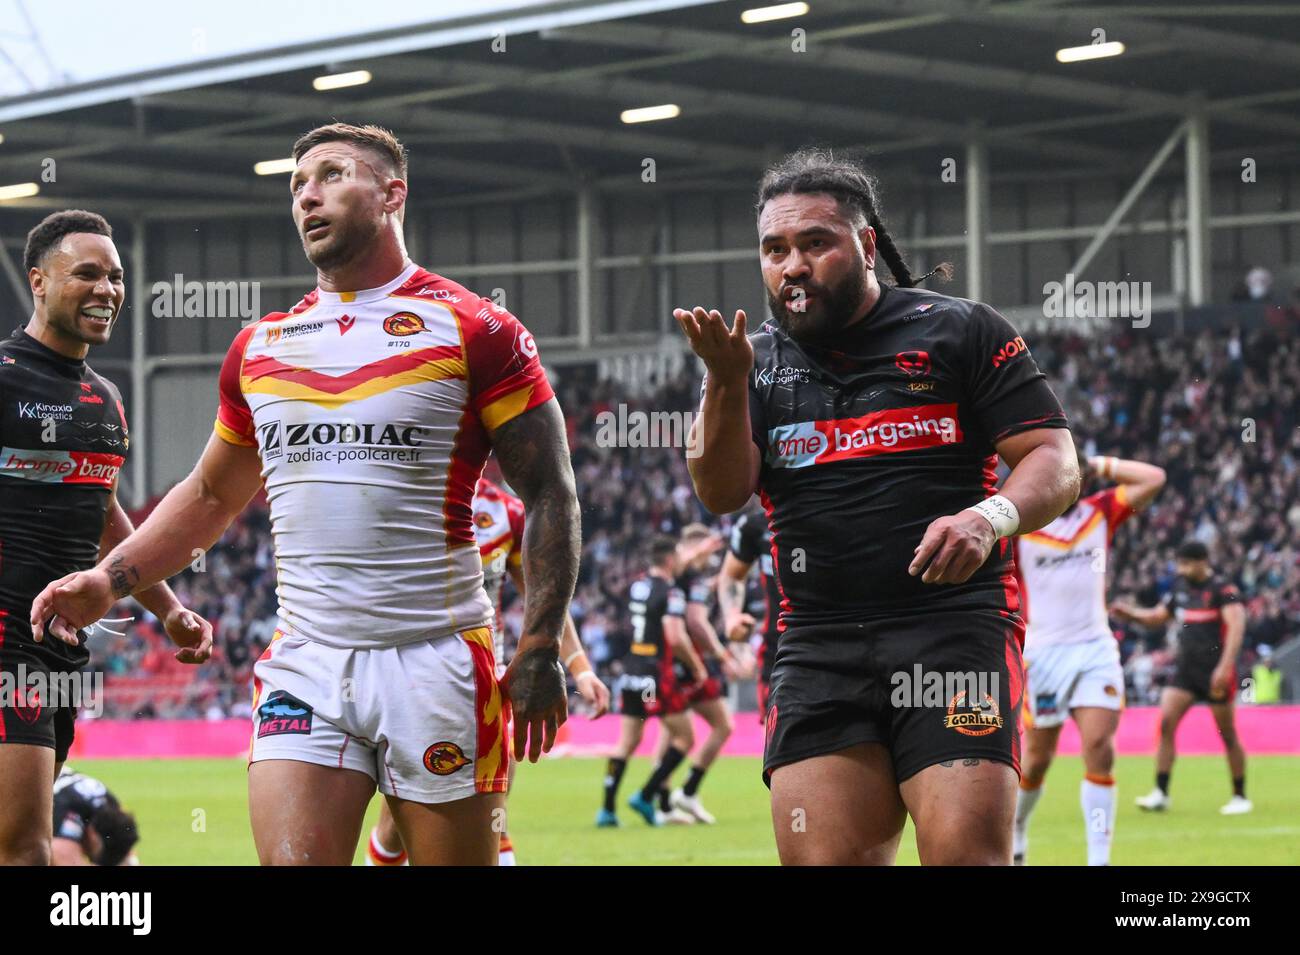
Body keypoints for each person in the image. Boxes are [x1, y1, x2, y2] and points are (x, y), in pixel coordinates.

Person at [30, 124, 580, 866]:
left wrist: (542, 643)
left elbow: (552, 494)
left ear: (392, 193)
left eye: (330, 175)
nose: (307, 195)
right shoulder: (261, 347)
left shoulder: (477, 328)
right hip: (306, 662)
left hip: (437, 659)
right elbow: (209, 496)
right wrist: (110, 578)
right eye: (296, 185)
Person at [675, 147, 1079, 865]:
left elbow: (1053, 458)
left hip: (954, 628)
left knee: (964, 855)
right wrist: (726, 384)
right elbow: (720, 490)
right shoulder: (751, 363)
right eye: (774, 249)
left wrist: (989, 518)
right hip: (818, 644)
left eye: (814, 243)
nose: (791, 266)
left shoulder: (961, 330)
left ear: (865, 244)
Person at [1, 210, 211, 866]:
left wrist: (169, 607)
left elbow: (104, 512)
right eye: (86, 273)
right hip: (8, 645)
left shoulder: (107, 397)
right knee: (27, 851)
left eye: (116, 277)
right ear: (38, 280)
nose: (106, 289)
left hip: (61, 655)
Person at [366, 471, 609, 865]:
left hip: (480, 682)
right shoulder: (398, 496)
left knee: (492, 813)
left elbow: (543, 601)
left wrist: (580, 667)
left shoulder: (506, 513)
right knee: (397, 827)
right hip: (405, 674)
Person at [1012, 452, 1166, 866]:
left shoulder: (1099, 513)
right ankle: (1018, 828)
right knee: (1037, 761)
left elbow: (1154, 477)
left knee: (1100, 747)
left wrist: (1097, 463)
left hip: (1094, 647)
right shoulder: (1021, 527)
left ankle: (1099, 861)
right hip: (1044, 653)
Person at [1111, 540, 1251, 815]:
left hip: (1215, 672)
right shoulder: (1180, 589)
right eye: (1180, 563)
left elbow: (1236, 627)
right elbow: (1158, 617)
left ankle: (1240, 795)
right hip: (1186, 672)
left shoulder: (1223, 590)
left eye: (1187, 563)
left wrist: (1225, 667)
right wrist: (1131, 615)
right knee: (1165, 725)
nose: (1182, 569)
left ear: (1203, 562)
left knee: (1228, 734)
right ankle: (1161, 792)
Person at [599, 535, 707, 827]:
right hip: (654, 676)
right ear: (671, 560)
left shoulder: (639, 586)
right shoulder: (670, 592)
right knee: (685, 737)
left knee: (627, 741)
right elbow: (674, 635)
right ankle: (646, 795)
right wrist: (696, 666)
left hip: (631, 670)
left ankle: (607, 810)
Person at [648, 523, 736, 825]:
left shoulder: (683, 577)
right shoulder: (685, 571)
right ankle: (685, 791)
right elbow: (696, 623)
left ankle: (662, 801)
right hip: (686, 660)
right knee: (722, 724)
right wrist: (723, 656)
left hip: (670, 660)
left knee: (670, 730)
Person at [717, 505, 782, 718]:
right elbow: (732, 576)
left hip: (838, 644)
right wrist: (732, 614)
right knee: (778, 742)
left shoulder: (839, 511)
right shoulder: (754, 526)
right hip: (778, 651)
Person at [51, 766, 140, 866]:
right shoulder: (69, 811)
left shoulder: (111, 805)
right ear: (93, 836)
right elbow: (63, 858)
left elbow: (125, 852)